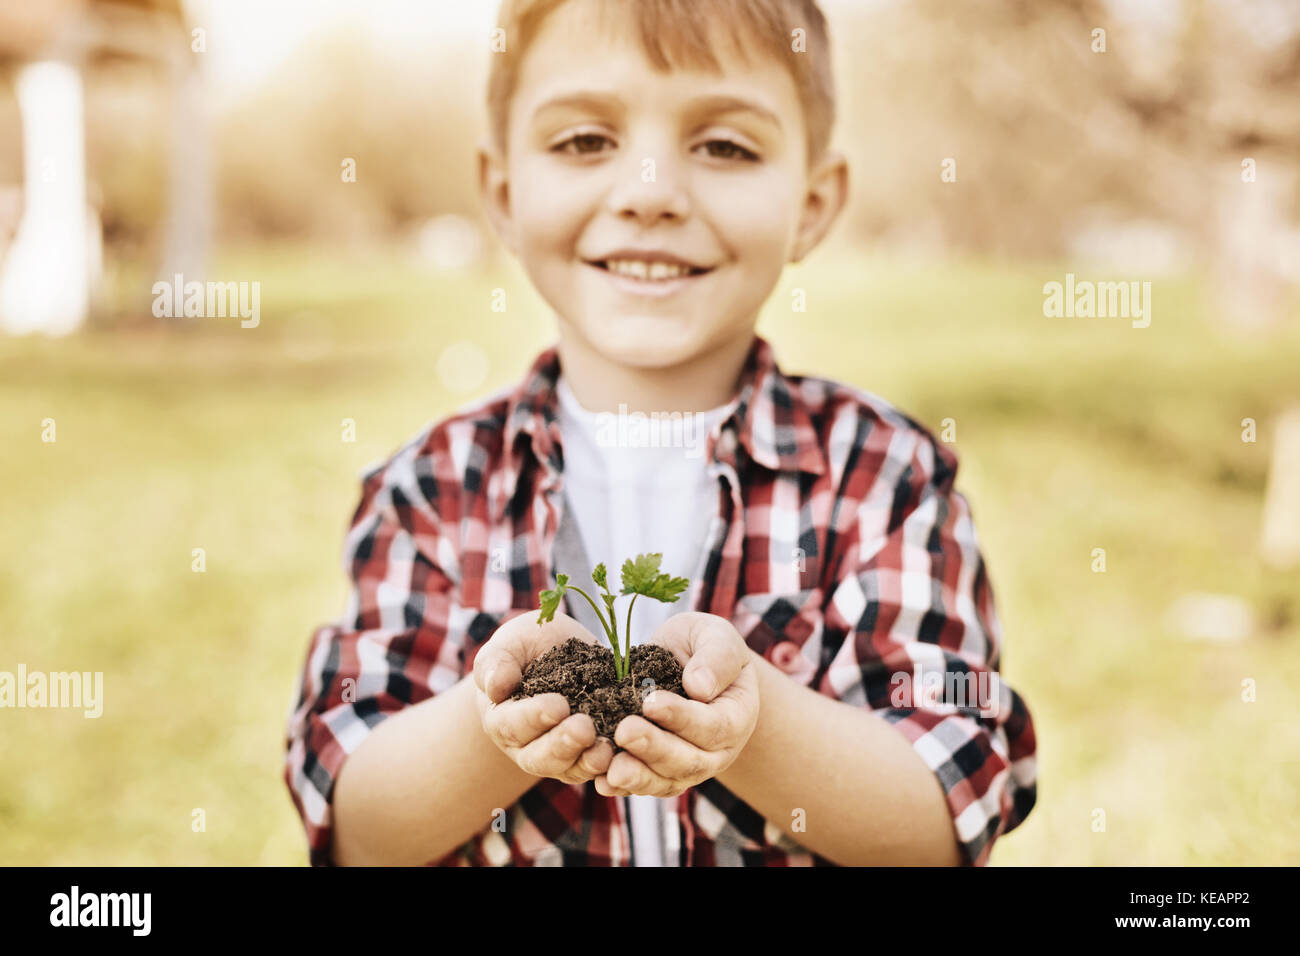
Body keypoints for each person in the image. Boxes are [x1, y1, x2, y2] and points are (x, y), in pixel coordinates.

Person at [284, 0, 1037, 866]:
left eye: (724, 147)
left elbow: (940, 824)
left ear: (814, 203)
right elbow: (360, 832)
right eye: (584, 142)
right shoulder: (432, 488)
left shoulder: (882, 479)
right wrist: (492, 727)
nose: (649, 193)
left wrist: (753, 721)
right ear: (503, 193)